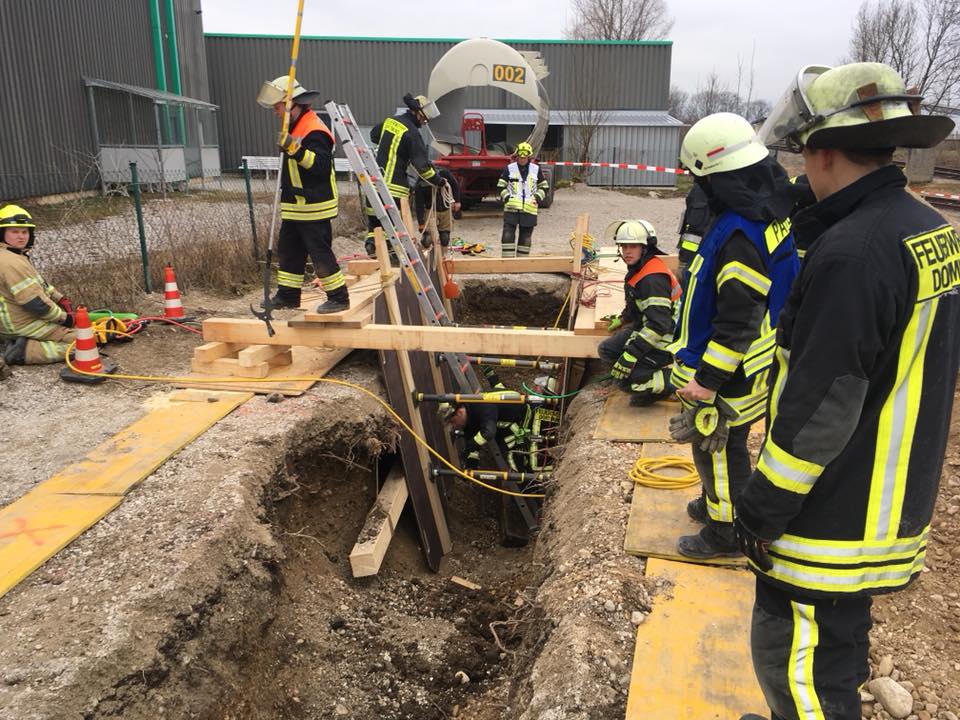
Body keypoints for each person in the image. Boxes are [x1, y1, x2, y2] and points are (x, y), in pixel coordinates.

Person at [732, 62, 958, 720]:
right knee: (833, 649)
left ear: (823, 151)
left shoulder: (854, 253)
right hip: (887, 492)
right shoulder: (924, 228)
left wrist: (762, 507)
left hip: (833, 510)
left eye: (803, 156)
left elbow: (823, 406)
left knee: (795, 664)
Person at [668, 112, 800, 560]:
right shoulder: (766, 209)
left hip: (733, 371)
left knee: (718, 448)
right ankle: (714, 503)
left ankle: (726, 534)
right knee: (725, 446)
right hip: (756, 361)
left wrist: (707, 381)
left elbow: (736, 321)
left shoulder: (740, 233)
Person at [256, 75, 347, 314]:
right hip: (295, 205)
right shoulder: (295, 127)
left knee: (319, 253)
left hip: (314, 205)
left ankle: (339, 297)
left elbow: (319, 167)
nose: (275, 112)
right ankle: (288, 295)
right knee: (289, 251)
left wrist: (294, 149)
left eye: (278, 106)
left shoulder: (315, 130)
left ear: (291, 104)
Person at [598, 220, 680, 406]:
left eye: (633, 246)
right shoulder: (640, 268)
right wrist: (624, 318)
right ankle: (641, 376)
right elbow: (638, 303)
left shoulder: (652, 279)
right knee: (606, 350)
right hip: (647, 327)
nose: (627, 251)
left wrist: (631, 355)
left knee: (626, 382)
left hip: (668, 338)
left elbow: (659, 325)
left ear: (645, 247)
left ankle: (677, 381)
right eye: (624, 246)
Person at [366, 93, 446, 257]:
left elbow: (374, 136)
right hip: (394, 189)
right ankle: (394, 260)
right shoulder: (412, 133)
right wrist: (438, 181)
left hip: (374, 185)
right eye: (424, 119)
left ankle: (372, 248)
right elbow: (422, 167)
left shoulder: (390, 121)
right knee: (394, 228)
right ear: (417, 113)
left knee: (376, 225)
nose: (424, 122)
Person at [0, 204, 77, 365]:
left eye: (24, 232)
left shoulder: (14, 255)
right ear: (2, 233)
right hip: (20, 323)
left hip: (15, 319)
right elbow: (36, 304)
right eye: (14, 231)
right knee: (83, 341)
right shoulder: (10, 262)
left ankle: (20, 342)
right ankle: (21, 352)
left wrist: (60, 298)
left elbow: (39, 284)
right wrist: (64, 318)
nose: (21, 237)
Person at [497, 142, 549, 257]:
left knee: (525, 237)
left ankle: (522, 261)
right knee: (507, 235)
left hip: (529, 208)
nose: (522, 159)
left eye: (524, 157)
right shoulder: (510, 169)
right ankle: (507, 261)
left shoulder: (536, 169)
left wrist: (536, 198)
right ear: (517, 156)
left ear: (529, 157)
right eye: (520, 157)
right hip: (511, 208)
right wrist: (507, 197)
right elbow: (501, 186)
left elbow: (544, 187)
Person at [414, 166, 461, 249]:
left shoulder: (444, 173)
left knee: (445, 238)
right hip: (430, 210)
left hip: (445, 208)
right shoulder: (421, 183)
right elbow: (419, 204)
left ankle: (443, 256)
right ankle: (426, 254)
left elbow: (454, 184)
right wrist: (421, 223)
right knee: (427, 240)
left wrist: (457, 201)